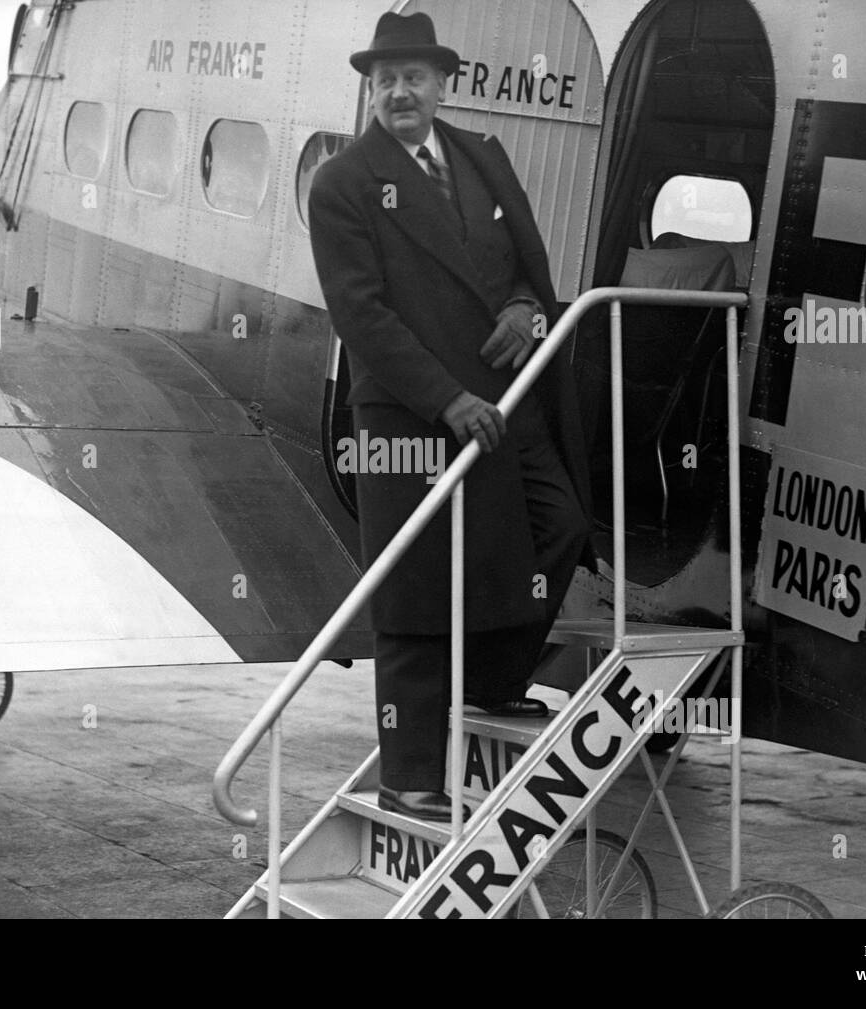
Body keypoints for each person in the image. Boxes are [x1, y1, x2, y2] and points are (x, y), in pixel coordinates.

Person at [308, 12, 594, 821]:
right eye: (385, 78)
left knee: (562, 523)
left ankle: (496, 685)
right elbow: (361, 317)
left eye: (415, 76)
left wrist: (523, 309)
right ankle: (410, 774)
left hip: (503, 404)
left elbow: (523, 266)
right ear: (371, 88)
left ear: (444, 83)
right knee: (415, 590)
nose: (400, 91)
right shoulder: (343, 184)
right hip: (411, 416)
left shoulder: (480, 157)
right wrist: (447, 397)